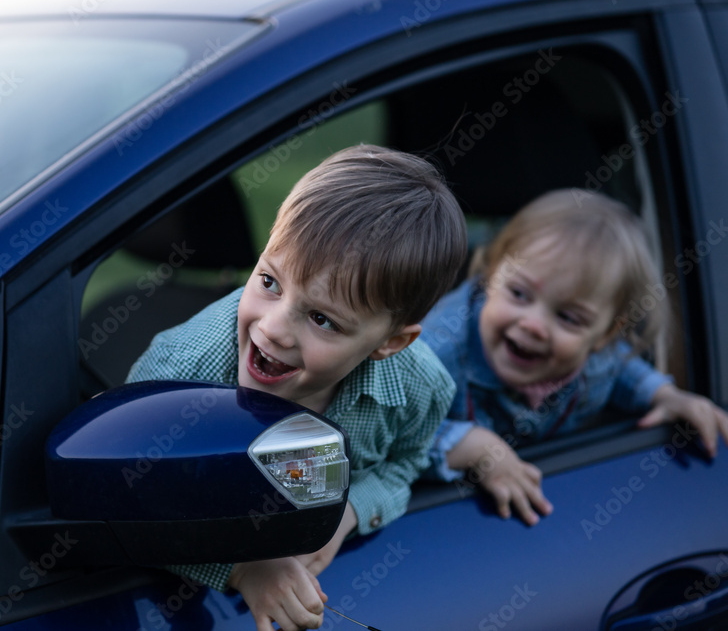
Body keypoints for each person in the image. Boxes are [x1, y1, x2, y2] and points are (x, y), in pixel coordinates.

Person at [126, 144, 468, 631]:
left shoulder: (418, 387)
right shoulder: (179, 379)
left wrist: (350, 512)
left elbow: (404, 463)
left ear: (391, 342)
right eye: (269, 281)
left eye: (323, 319)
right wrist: (244, 568)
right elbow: (132, 501)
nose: (274, 329)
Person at [420, 189, 728, 527]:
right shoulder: (435, 355)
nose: (534, 325)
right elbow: (386, 435)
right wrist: (474, 447)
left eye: (568, 317)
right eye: (519, 294)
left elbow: (620, 368)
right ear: (492, 276)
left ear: (606, 334)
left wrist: (665, 395)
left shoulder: (598, 358)